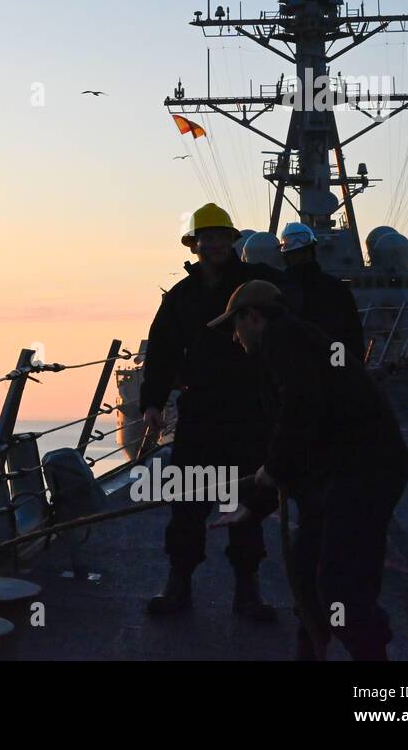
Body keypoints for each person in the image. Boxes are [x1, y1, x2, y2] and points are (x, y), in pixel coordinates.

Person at [209, 280, 408, 660]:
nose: (234, 338)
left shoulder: (282, 340)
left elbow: (300, 410)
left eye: (234, 327)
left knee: (341, 587)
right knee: (305, 575)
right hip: (338, 473)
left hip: (362, 473)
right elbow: (298, 434)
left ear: (251, 317)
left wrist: (270, 470)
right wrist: (255, 505)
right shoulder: (296, 340)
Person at [139, 203, 292, 620]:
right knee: (186, 504)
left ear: (232, 242)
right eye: (207, 238)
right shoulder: (182, 297)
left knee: (247, 504)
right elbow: (163, 347)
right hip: (200, 411)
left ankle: (248, 593)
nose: (215, 244)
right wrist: (152, 401)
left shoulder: (258, 284)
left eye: (222, 237)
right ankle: (178, 587)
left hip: (250, 410)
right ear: (195, 244)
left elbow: (285, 313)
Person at [278, 222, 366, 365]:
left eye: (302, 253)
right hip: (328, 366)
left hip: (298, 371)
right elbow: (351, 338)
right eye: (296, 254)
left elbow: (350, 335)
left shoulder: (278, 289)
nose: (299, 258)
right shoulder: (337, 289)